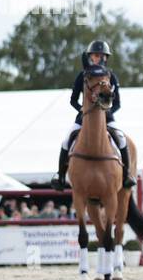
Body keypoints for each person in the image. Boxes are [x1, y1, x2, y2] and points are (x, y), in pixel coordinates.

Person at [54, 40, 134, 190]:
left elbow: (117, 104)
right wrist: (81, 110)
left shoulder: (111, 76)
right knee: (66, 140)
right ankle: (60, 176)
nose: (99, 58)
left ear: (106, 57)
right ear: (91, 57)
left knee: (122, 139)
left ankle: (127, 175)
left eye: (101, 55)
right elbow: (73, 100)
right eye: (96, 55)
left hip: (107, 118)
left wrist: (105, 114)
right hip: (84, 117)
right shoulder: (83, 75)